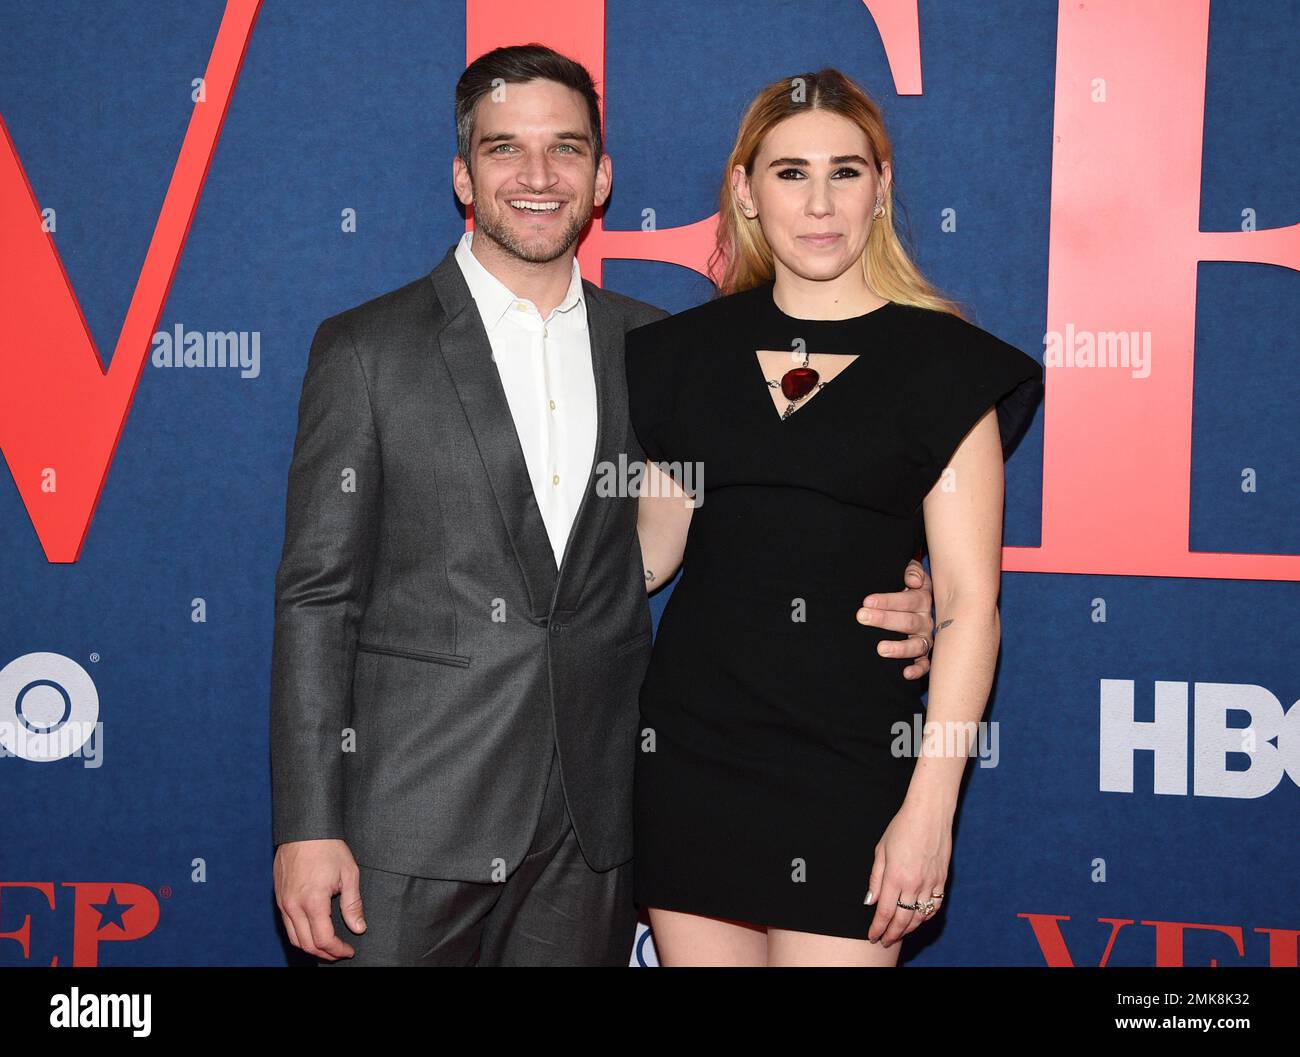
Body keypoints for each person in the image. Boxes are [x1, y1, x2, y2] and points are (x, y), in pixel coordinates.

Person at [269, 46, 936, 967]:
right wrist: (307, 824)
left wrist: (904, 591)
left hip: (592, 834)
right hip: (407, 827)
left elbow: (767, 521)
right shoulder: (366, 351)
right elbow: (316, 598)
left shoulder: (660, 352)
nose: (539, 177)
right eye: (506, 150)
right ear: (464, 175)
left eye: (567, 150)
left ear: (603, 176)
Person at [627, 68, 1045, 967]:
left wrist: (930, 809)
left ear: (882, 188)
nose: (819, 203)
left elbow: (971, 606)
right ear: (745, 191)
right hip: (691, 754)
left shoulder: (947, 369)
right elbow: (648, 556)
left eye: (846, 172)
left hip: (852, 766)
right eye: (789, 173)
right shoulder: (681, 358)